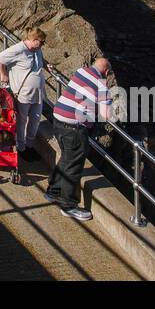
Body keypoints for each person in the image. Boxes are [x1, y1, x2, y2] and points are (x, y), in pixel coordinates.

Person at [44, 56, 112, 221]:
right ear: (107, 72)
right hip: (74, 127)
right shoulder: (101, 85)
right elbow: (106, 115)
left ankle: (53, 191)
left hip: (59, 120)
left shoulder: (81, 72)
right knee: (74, 164)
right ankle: (68, 205)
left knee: (66, 159)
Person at [0, 28, 47, 163]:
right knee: (22, 120)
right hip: (23, 94)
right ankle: (21, 147)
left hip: (38, 93)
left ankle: (29, 146)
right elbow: (0, 58)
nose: (43, 45)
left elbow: (40, 63)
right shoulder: (18, 49)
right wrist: (3, 74)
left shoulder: (37, 50)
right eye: (41, 42)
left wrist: (48, 66)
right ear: (34, 40)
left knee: (35, 120)